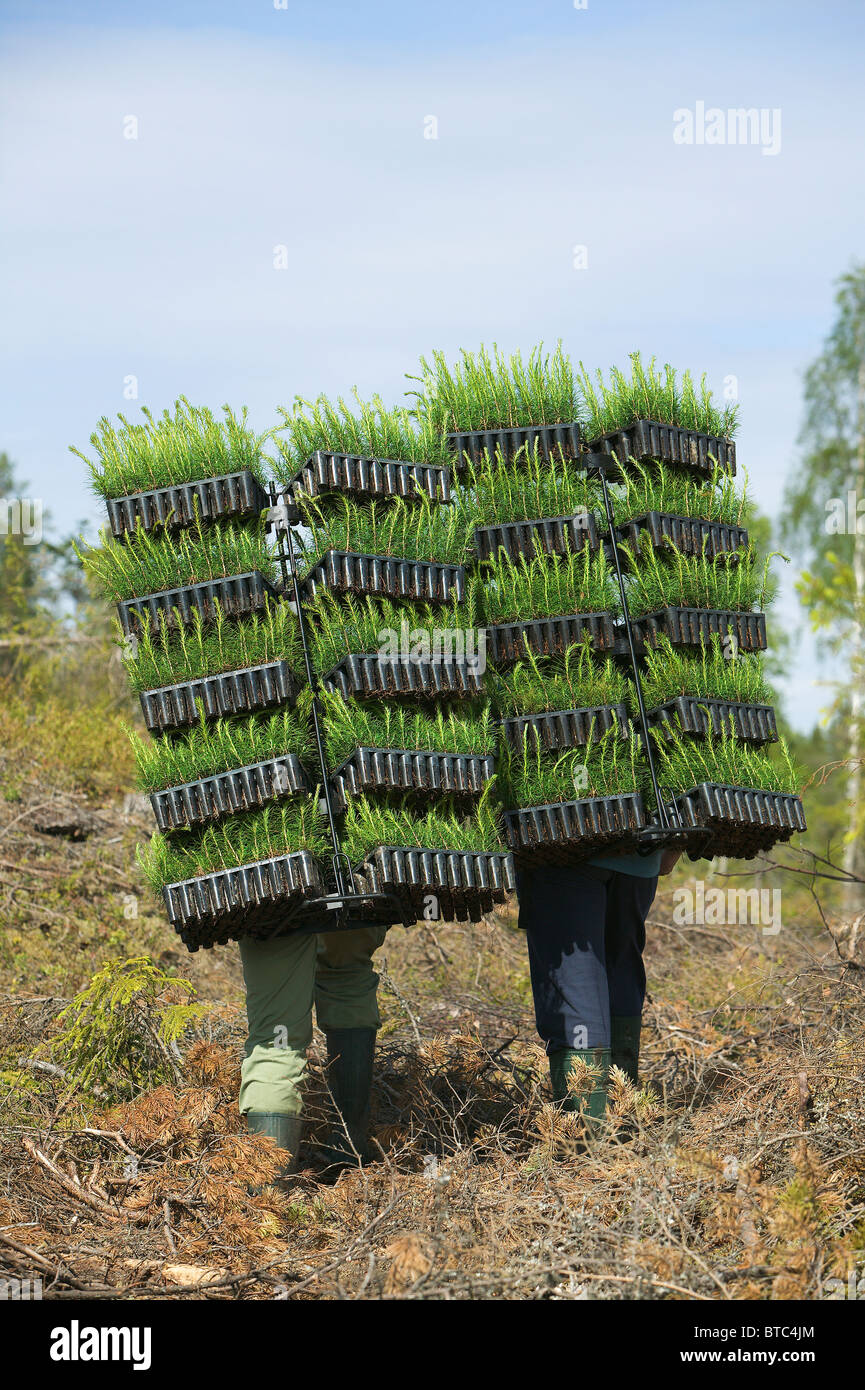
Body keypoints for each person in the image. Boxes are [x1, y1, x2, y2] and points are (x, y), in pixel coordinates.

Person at [517, 845, 680, 1119]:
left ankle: (584, 1136)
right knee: (620, 970)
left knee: (574, 985)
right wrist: (672, 847)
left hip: (560, 854)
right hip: (642, 856)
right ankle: (621, 1118)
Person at [239, 923, 388, 1173]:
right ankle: (350, 1146)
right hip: (358, 893)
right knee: (347, 975)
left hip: (271, 898)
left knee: (277, 1034)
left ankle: (268, 1191)